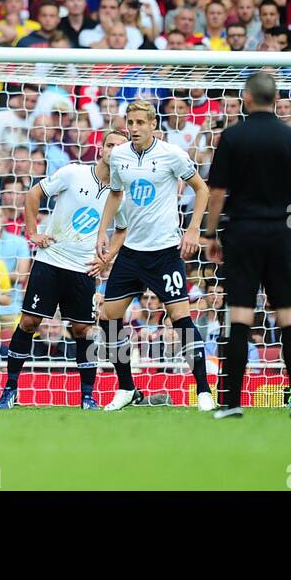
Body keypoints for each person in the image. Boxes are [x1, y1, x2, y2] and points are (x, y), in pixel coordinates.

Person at [203, 72, 291, 420]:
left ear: (247, 99)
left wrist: (211, 234)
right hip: (282, 233)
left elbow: (218, 193)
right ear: (275, 98)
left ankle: (233, 403)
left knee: (239, 316)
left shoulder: (232, 137)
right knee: (289, 317)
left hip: (242, 232)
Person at [95, 99, 213, 411]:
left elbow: (202, 190)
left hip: (164, 253)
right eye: (129, 123)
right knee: (109, 316)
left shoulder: (171, 154)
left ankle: (203, 391)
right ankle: (125, 388)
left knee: (180, 317)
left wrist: (193, 230)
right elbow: (116, 194)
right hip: (131, 252)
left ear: (152, 126)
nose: (133, 128)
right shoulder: (119, 156)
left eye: (139, 123)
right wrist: (102, 232)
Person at [0, 128, 128, 410]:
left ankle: (87, 396)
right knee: (29, 322)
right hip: (50, 261)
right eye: (110, 145)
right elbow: (34, 194)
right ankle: (10, 390)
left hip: (83, 269)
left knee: (83, 329)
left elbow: (122, 229)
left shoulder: (122, 193)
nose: (113, 150)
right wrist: (33, 233)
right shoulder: (73, 173)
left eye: (120, 146)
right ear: (100, 149)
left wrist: (107, 259)